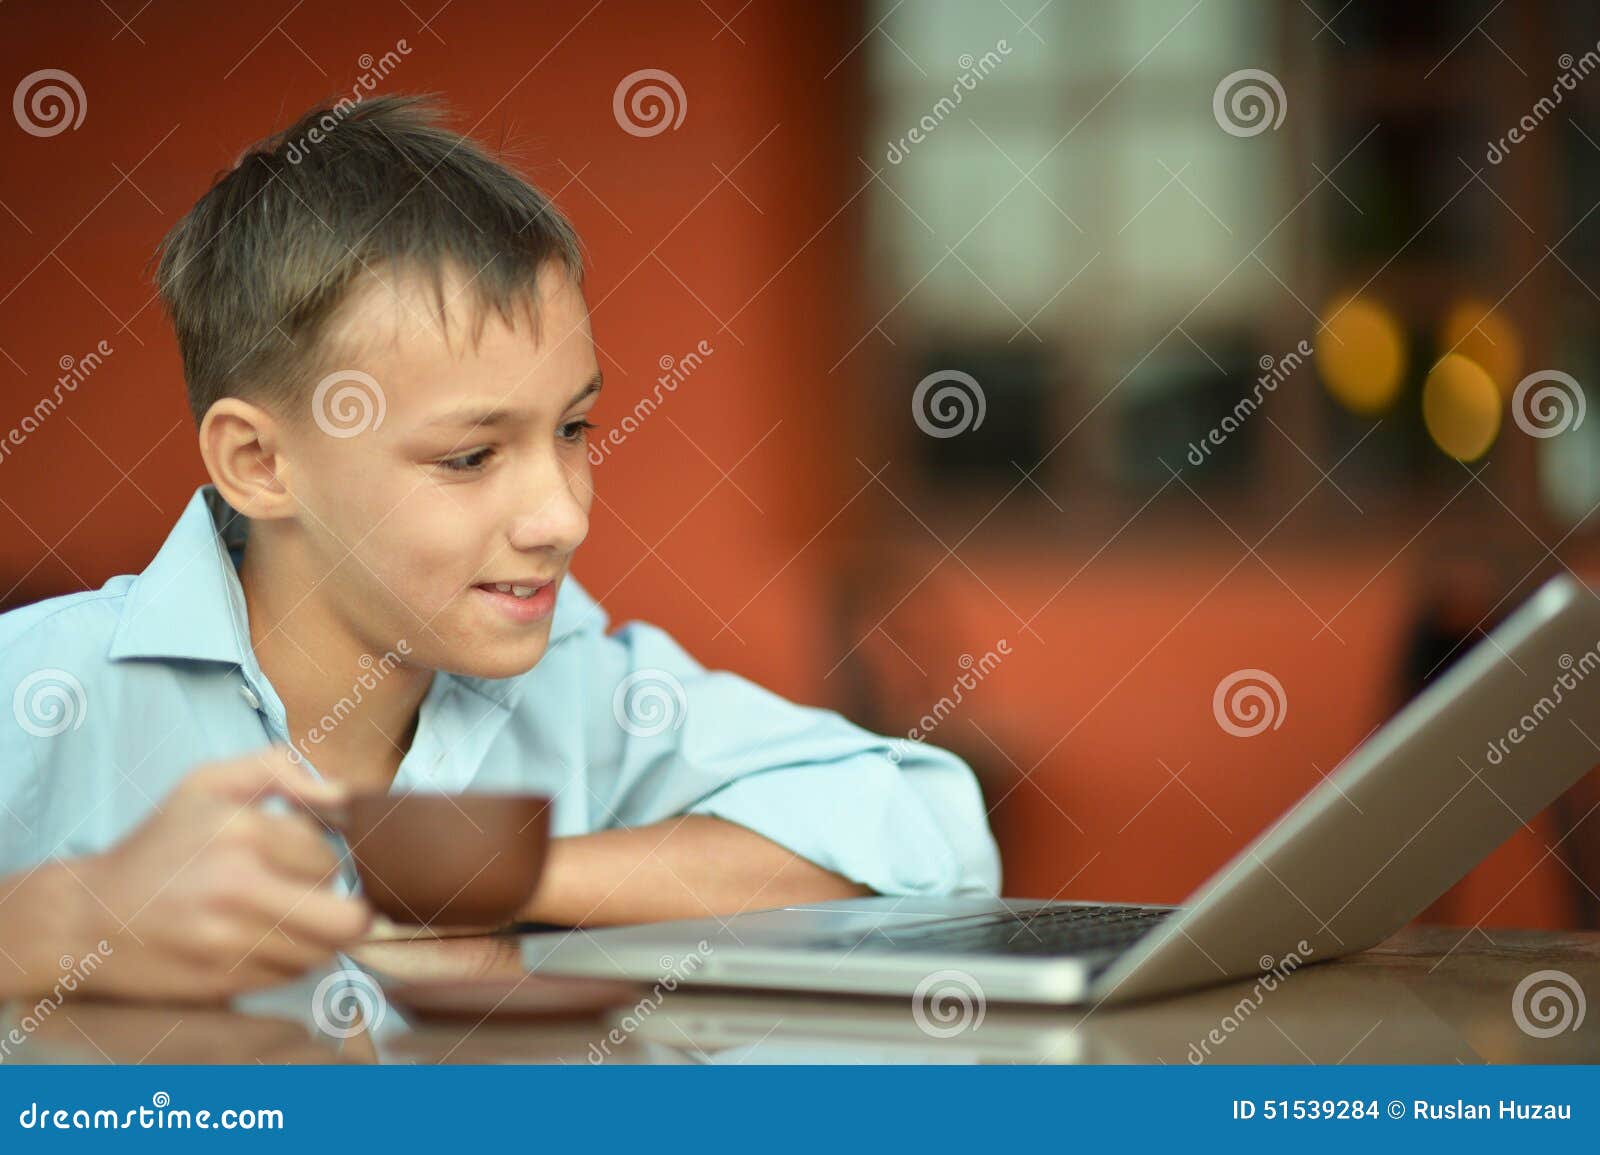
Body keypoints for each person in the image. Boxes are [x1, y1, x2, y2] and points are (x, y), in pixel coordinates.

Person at [0, 94, 1000, 1001]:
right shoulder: (36, 693)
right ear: (260, 461)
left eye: (572, 431)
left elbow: (926, 825)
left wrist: (505, 878)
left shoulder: (581, 683)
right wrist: (59, 929)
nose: (561, 517)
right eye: (471, 455)